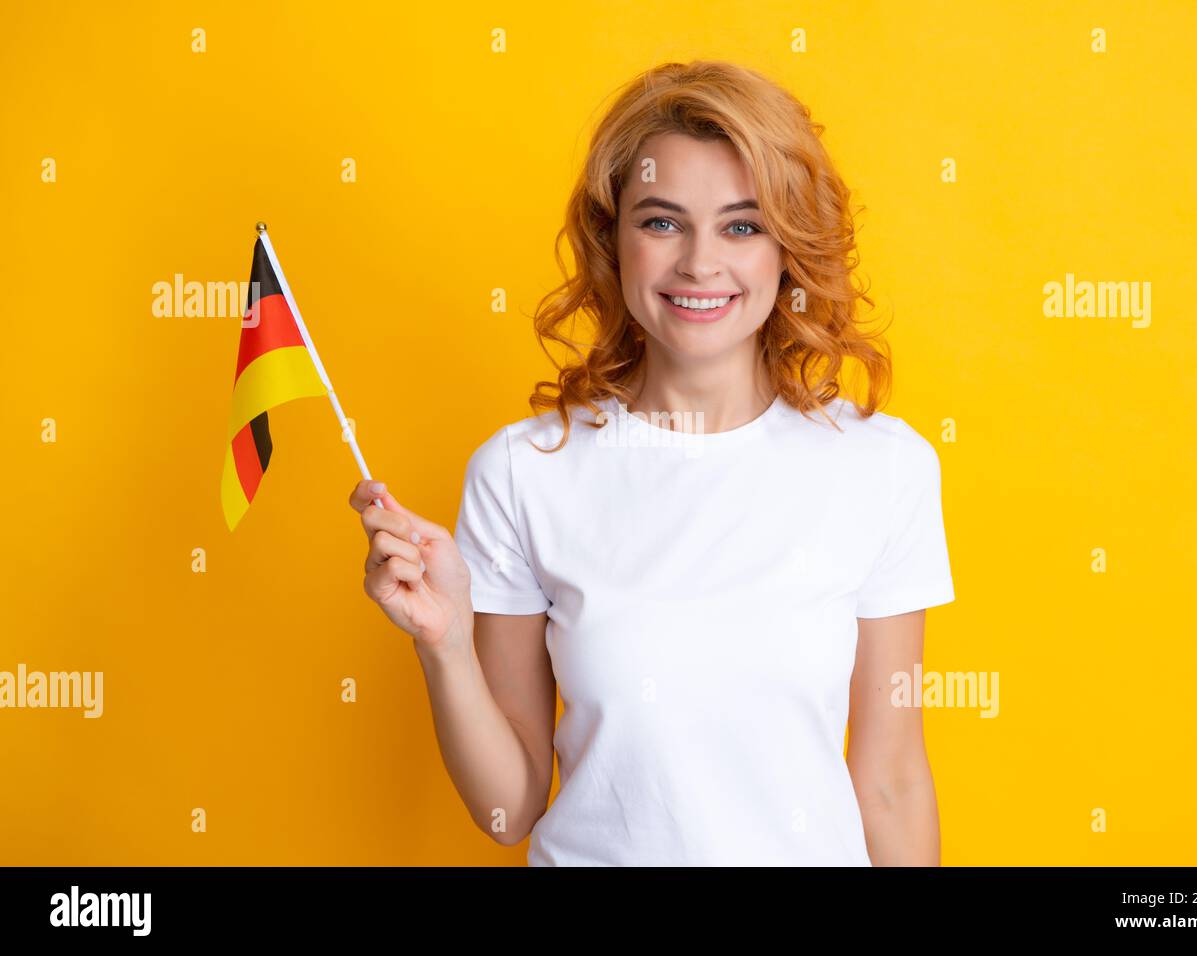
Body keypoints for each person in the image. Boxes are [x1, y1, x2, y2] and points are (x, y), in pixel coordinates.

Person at [348, 60, 955, 866]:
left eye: (742, 225)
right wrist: (445, 645)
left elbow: (891, 783)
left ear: (789, 248)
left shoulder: (883, 469)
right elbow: (508, 810)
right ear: (612, 239)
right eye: (663, 222)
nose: (701, 264)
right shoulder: (522, 473)